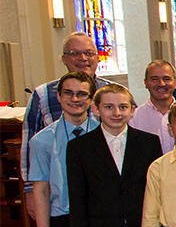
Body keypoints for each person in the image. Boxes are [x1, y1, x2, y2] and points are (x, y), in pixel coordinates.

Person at [68, 84, 162, 227]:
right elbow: (77, 200)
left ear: (132, 110)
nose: (117, 112)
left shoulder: (149, 143)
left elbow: (158, 195)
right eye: (109, 107)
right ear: (95, 109)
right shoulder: (79, 147)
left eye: (123, 107)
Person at [22, 33, 116, 216]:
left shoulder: (115, 93)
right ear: (64, 59)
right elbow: (29, 144)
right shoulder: (43, 95)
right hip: (60, 195)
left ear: (97, 58)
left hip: (106, 194)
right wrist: (29, 191)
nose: (83, 58)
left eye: (89, 53)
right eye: (75, 53)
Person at [28, 71, 99, 227]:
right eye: (68, 93)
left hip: (98, 220)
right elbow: (41, 191)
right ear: (58, 96)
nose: (74, 99)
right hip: (63, 221)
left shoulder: (104, 135)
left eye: (82, 94)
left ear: (92, 99)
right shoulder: (42, 141)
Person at [129, 60, 176, 153]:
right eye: (154, 79)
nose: (161, 84)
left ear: (175, 83)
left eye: (167, 79)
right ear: (145, 83)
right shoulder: (133, 119)